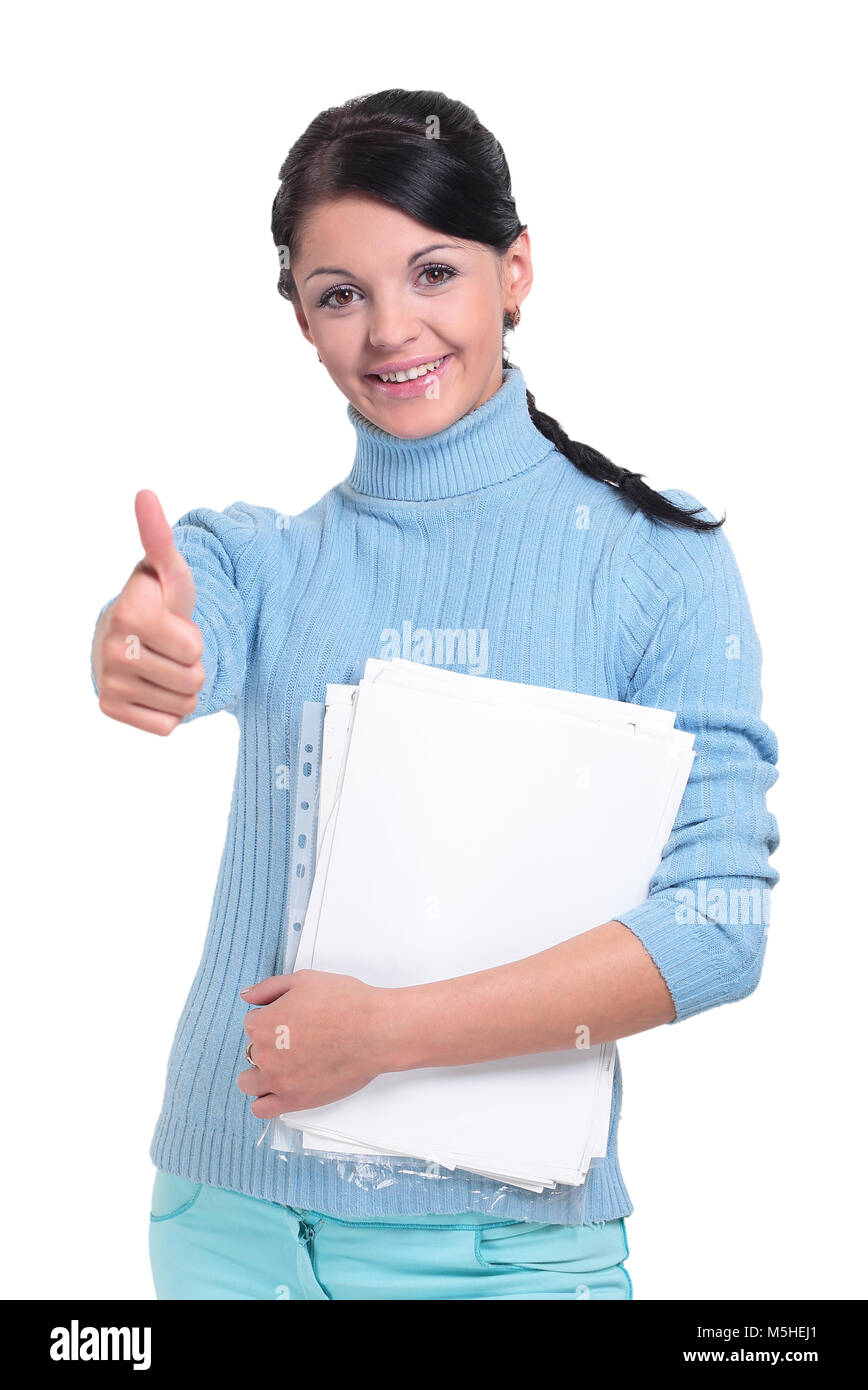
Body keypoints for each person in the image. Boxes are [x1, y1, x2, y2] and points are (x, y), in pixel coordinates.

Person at [89, 87, 780, 1301]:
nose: (390, 330)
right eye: (339, 293)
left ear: (515, 272)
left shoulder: (658, 562)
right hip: (222, 1225)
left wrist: (389, 1037)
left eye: (434, 273)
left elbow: (720, 926)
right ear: (299, 317)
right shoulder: (263, 559)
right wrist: (141, 639)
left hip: (501, 1253)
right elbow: (177, 624)